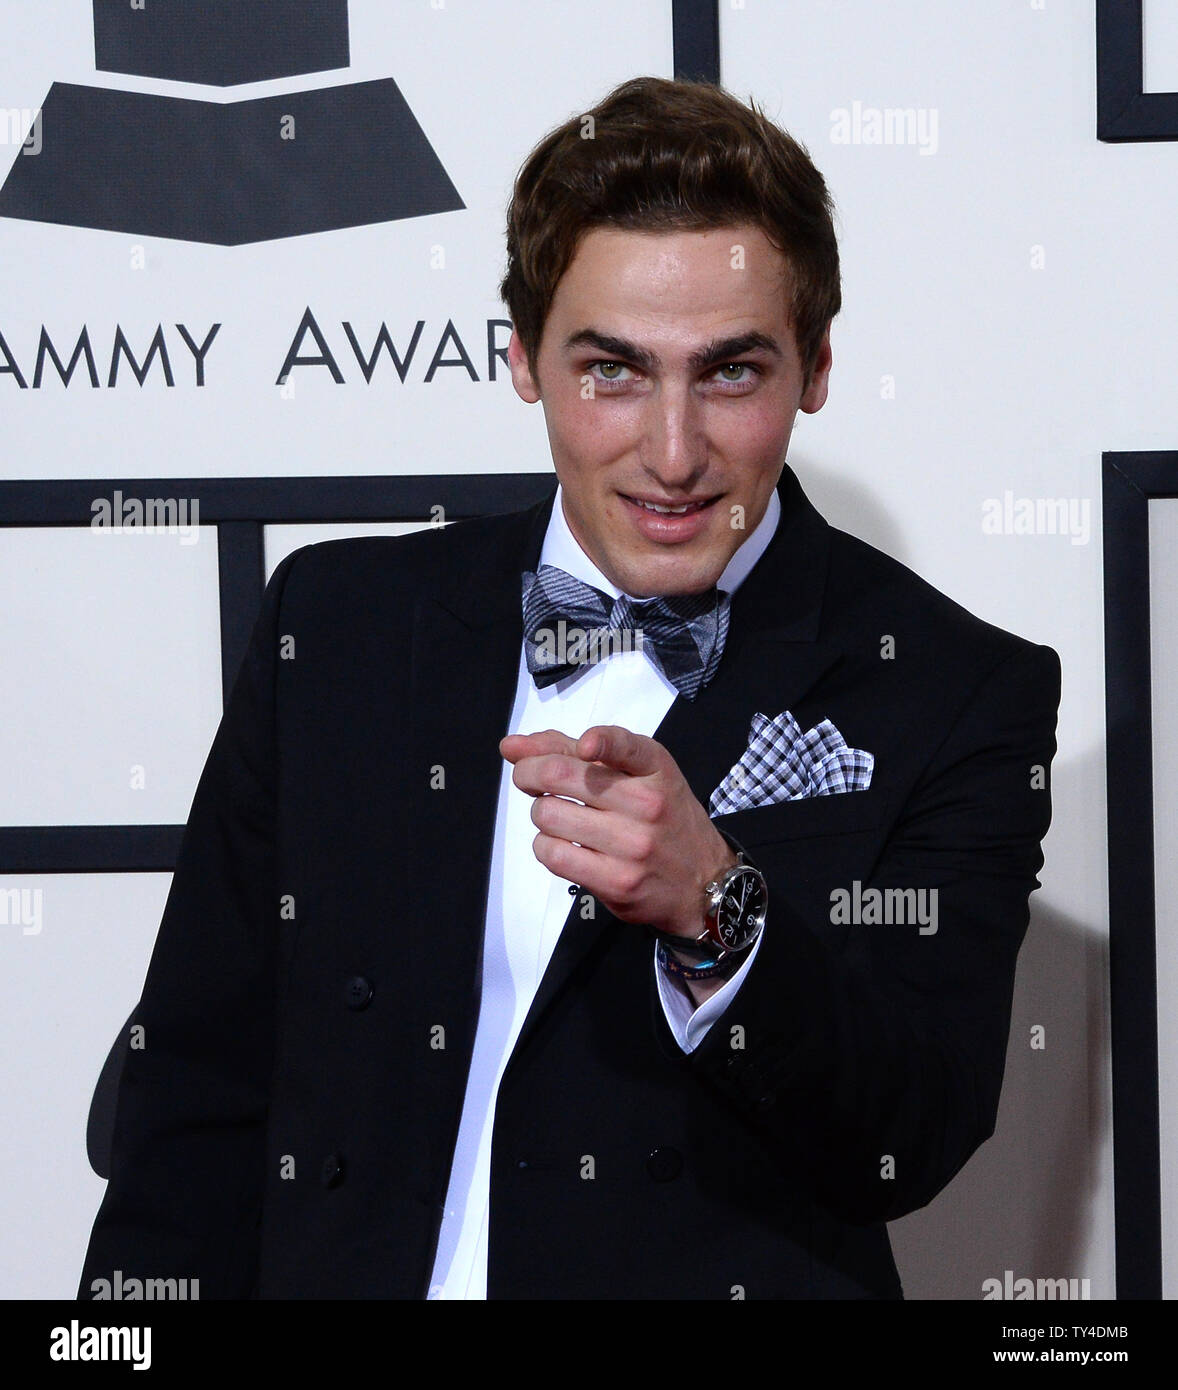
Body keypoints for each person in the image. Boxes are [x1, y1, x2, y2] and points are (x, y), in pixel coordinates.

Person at [79, 75, 1060, 1300]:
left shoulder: (958, 689)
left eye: (730, 374)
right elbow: (197, 1091)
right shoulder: (336, 629)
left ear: (814, 367)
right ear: (521, 360)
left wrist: (719, 909)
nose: (669, 451)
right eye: (611, 371)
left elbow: (906, 1132)